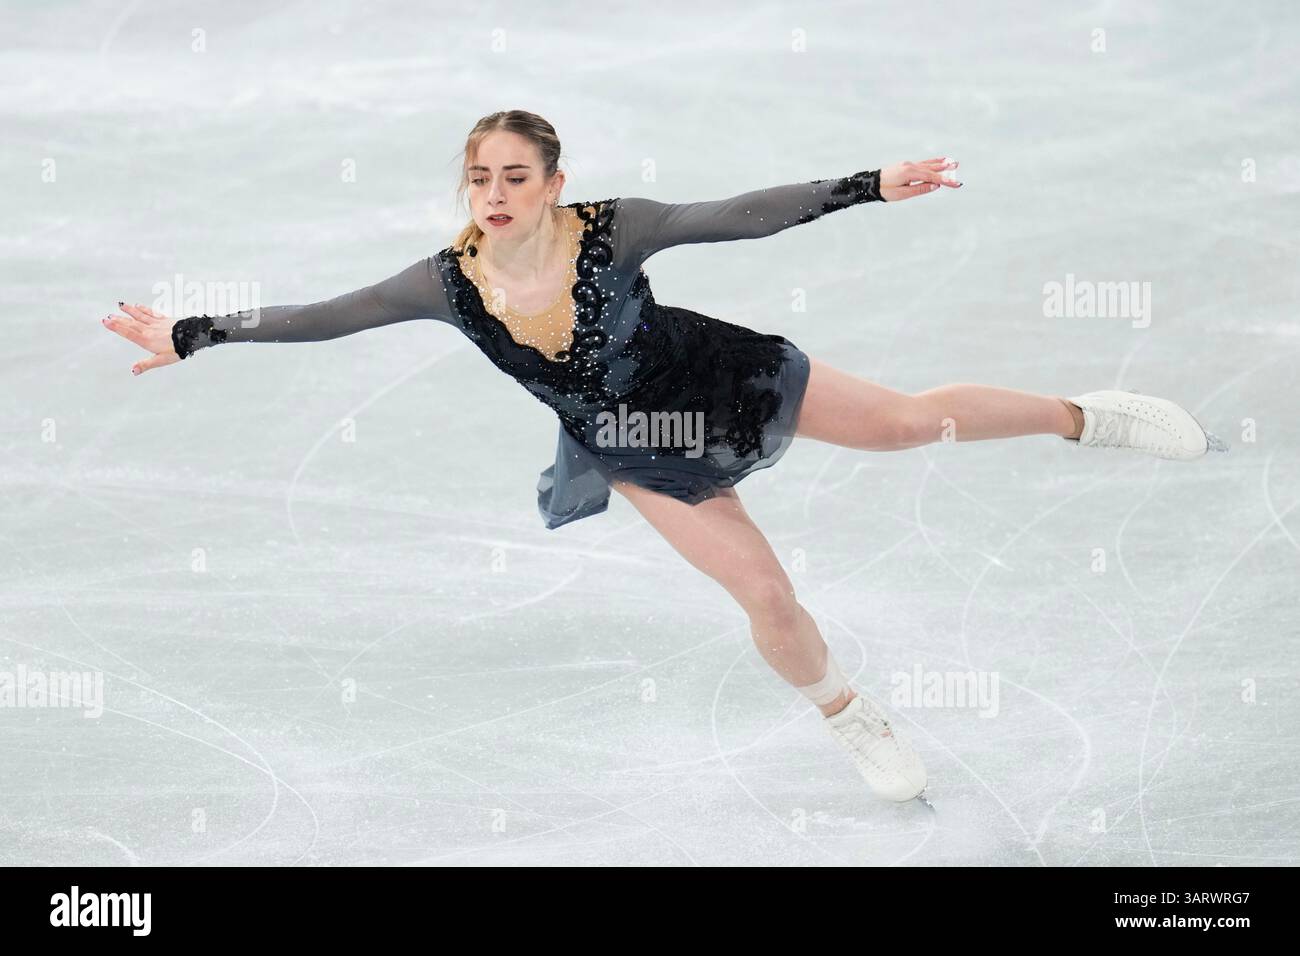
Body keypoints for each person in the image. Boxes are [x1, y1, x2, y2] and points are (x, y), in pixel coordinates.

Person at [101, 110, 1227, 807]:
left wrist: (863, 186)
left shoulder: (613, 227)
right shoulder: (444, 284)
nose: (493, 197)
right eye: (477, 179)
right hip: (640, 446)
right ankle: (849, 714)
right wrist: (194, 333)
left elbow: (732, 213)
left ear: (550, 179)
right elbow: (326, 315)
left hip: (720, 376)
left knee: (905, 423)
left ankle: (1085, 415)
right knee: (764, 590)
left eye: (513, 177)